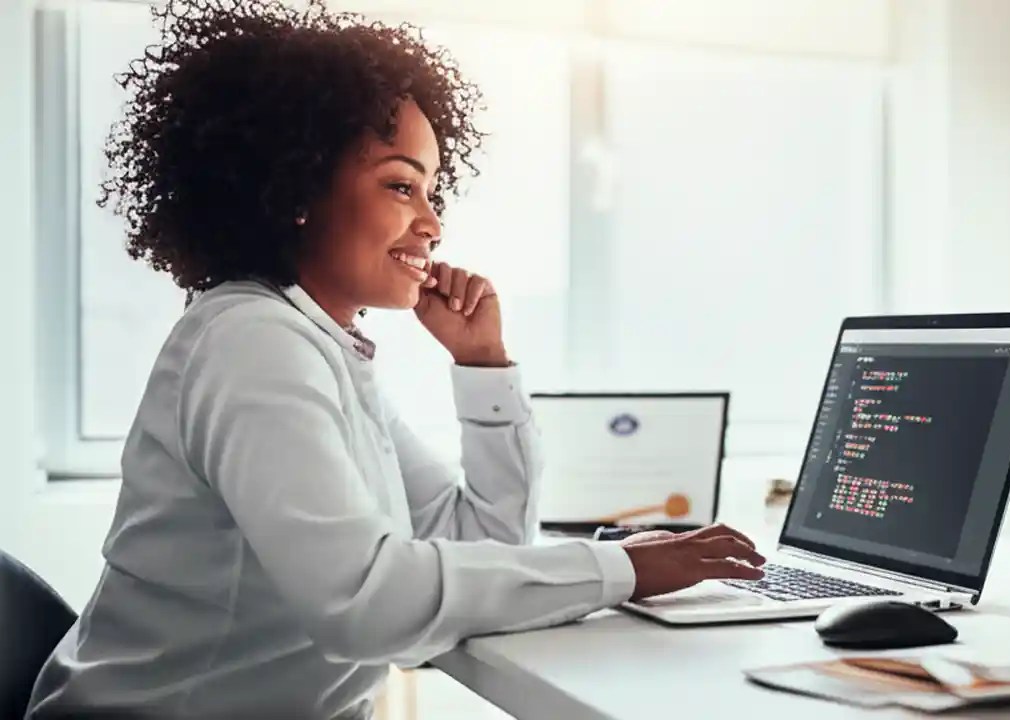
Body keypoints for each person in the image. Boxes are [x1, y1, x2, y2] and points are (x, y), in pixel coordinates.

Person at [25, 1, 766, 717]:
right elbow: (367, 603)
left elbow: (480, 542)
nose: (433, 223)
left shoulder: (319, 346)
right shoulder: (249, 341)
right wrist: (626, 568)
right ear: (296, 189)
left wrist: (484, 368)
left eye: (433, 191)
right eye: (401, 185)